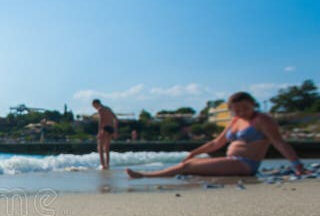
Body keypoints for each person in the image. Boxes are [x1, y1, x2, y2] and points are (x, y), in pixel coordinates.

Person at [126, 91, 307, 178]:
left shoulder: (262, 120)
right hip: (232, 161)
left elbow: (280, 143)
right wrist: (194, 152)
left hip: (245, 164)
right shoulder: (236, 121)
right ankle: (154, 173)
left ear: (253, 104)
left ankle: (147, 175)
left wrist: (297, 164)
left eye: (245, 108)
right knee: (192, 163)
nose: (242, 112)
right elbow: (216, 143)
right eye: (237, 110)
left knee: (188, 166)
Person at [92, 99, 119, 169]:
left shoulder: (100, 109)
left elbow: (101, 121)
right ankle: (107, 164)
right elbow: (116, 119)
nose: (94, 107)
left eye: (94, 106)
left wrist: (99, 132)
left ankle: (103, 165)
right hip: (111, 128)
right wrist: (115, 131)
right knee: (107, 148)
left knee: (100, 147)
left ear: (96, 103)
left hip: (104, 128)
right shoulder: (108, 109)